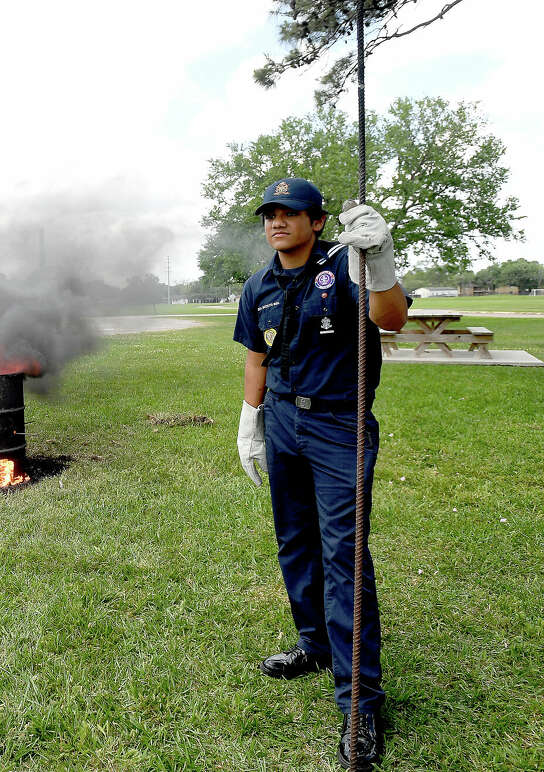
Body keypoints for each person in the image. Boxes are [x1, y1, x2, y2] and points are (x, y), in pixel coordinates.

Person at [233, 178, 409, 770]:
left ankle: (359, 701)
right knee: (296, 544)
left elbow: (392, 320)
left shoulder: (350, 263)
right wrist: (249, 422)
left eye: (291, 213)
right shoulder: (259, 283)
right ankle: (313, 645)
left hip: (339, 425)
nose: (278, 222)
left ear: (318, 220)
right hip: (283, 422)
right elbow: (258, 353)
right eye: (270, 214)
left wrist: (380, 262)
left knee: (345, 557)